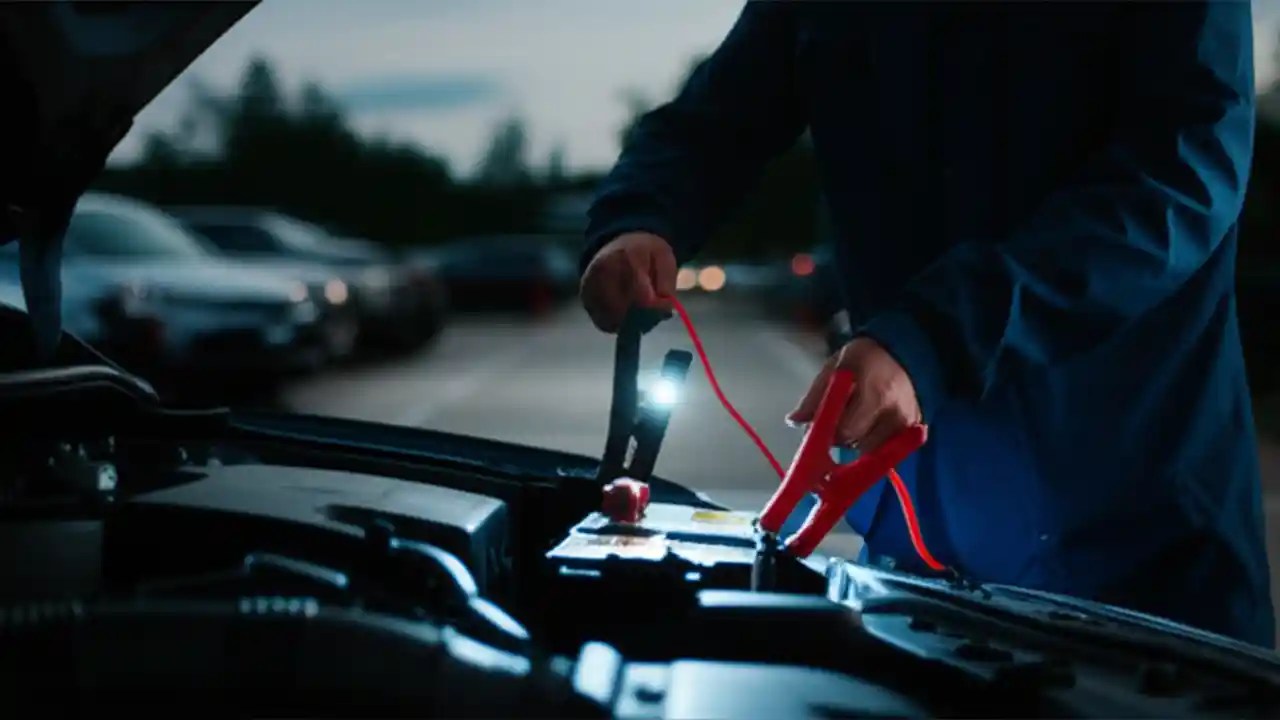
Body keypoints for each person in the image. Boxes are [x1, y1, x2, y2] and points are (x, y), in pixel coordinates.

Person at [578, 1, 1275, 647]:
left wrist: (935, 338)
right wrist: (639, 218)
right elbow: (715, 120)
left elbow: (1184, 176)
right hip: (919, 555)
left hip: (1146, 541)